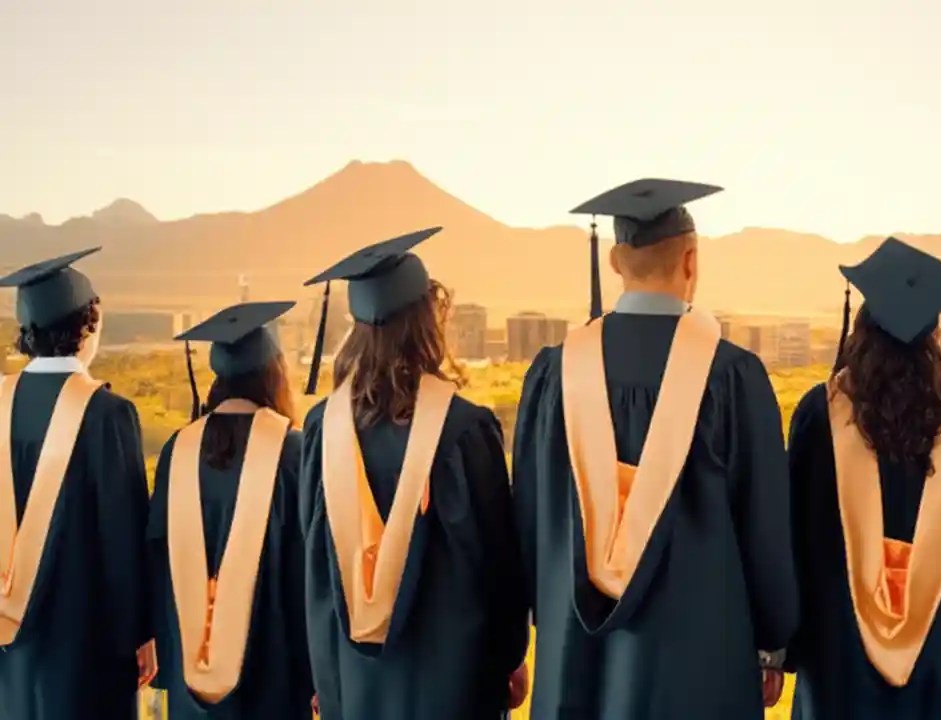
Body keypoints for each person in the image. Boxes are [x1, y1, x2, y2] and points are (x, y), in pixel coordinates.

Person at [513, 179, 798, 719]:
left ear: (616, 261)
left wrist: (544, 608)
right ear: (691, 260)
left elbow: (528, 520)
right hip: (701, 665)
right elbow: (764, 527)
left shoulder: (555, 374)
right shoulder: (732, 375)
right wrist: (771, 643)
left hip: (576, 652)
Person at [785, 238, 941, 719]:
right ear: (934, 334)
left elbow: (791, 537)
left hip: (842, 672)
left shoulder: (821, 414)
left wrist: (787, 645)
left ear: (861, 329)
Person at [299, 228, 528, 719]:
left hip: (356, 681)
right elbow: (500, 562)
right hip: (456, 680)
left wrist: (325, 675)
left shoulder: (323, 427)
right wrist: (511, 656)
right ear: (428, 320)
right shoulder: (464, 427)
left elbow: (314, 564)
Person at [0, 248, 152, 719]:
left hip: (10, 648)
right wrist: (141, 634)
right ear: (88, 326)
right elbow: (123, 540)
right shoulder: (107, 414)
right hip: (87, 649)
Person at [146, 301, 313, 719]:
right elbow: (311, 571)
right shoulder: (295, 451)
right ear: (274, 371)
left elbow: (155, 560)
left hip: (189, 673)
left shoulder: (178, 449)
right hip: (276, 670)